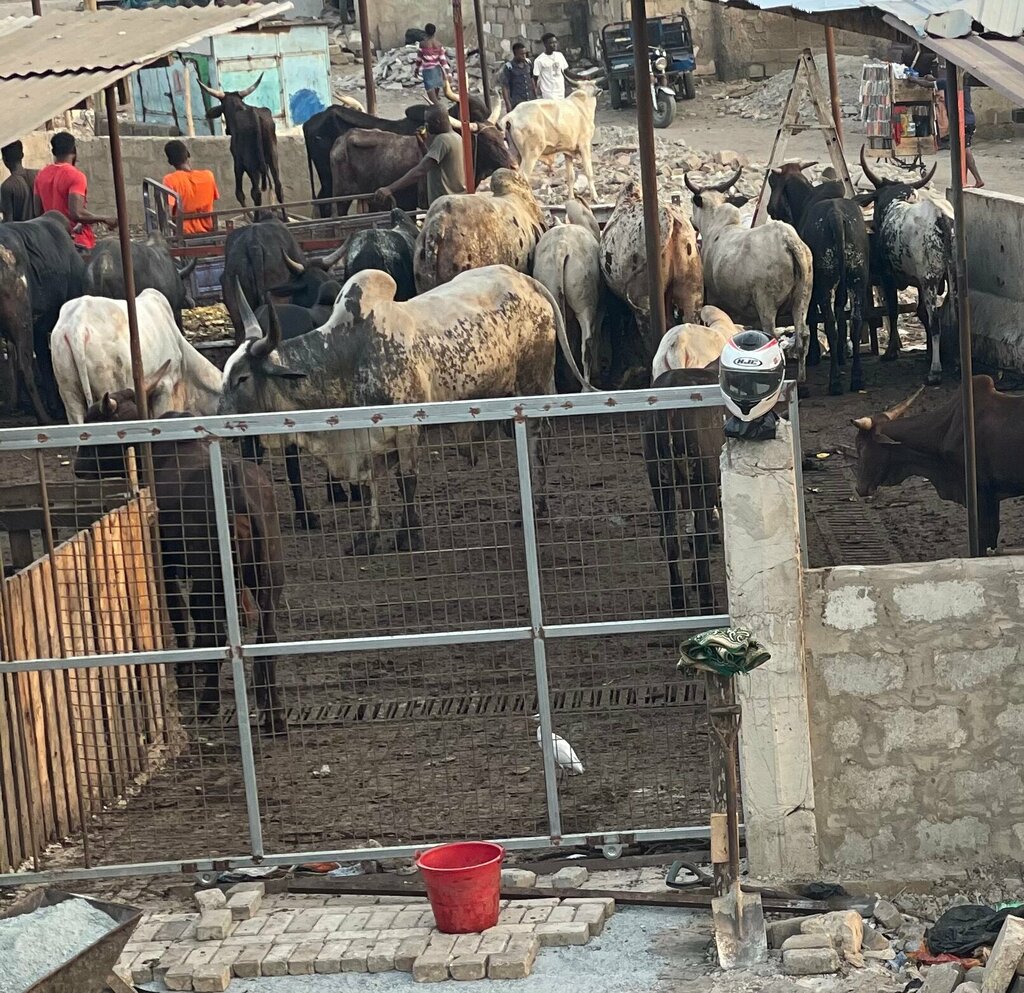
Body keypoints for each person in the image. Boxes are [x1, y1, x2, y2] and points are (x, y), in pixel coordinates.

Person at [33, 132, 116, 252]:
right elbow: (76, 213)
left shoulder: (41, 175)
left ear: (54, 152)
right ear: (74, 151)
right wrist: (104, 219)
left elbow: (38, 212)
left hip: (50, 240)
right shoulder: (76, 176)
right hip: (75, 242)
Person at [374, 106, 466, 207]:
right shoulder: (456, 137)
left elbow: (421, 170)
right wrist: (422, 144)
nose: (426, 125)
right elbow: (435, 163)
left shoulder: (442, 140)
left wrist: (390, 188)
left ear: (437, 122)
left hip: (445, 204)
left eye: (428, 122)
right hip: (454, 201)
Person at [162, 139, 220, 235]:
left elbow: (168, 211)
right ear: (188, 154)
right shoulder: (208, 176)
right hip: (208, 230)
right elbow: (213, 199)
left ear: (170, 162)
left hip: (183, 233)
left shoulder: (169, 180)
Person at [0, 141, 38, 223]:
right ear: (22, 155)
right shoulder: (38, 174)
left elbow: (8, 222)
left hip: (21, 234)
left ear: (4, 159)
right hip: (41, 230)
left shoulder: (7, 186)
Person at [415, 23, 450, 105]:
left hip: (428, 72)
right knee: (436, 94)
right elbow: (443, 60)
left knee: (432, 99)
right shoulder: (439, 44)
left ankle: (438, 110)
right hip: (438, 70)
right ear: (434, 32)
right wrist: (448, 72)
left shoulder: (423, 44)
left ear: (425, 32)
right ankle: (438, 107)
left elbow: (419, 59)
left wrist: (416, 69)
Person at [500, 41, 536, 112]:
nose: (524, 56)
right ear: (515, 54)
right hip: (517, 102)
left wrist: (535, 95)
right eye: (521, 54)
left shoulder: (528, 63)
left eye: (525, 53)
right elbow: (505, 87)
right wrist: (508, 104)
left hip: (530, 100)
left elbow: (531, 79)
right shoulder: (509, 67)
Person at [534, 33, 569, 100]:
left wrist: (580, 77)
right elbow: (535, 78)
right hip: (549, 94)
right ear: (545, 44)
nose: (554, 45)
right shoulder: (539, 60)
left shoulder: (560, 55)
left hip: (561, 91)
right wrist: (536, 94)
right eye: (551, 43)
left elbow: (567, 72)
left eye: (555, 42)